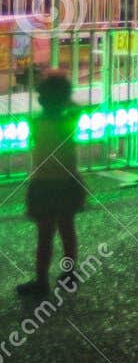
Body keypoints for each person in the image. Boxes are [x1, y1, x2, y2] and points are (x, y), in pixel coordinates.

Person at [17, 74, 86, 296]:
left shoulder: (36, 123)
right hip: (67, 183)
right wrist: (67, 100)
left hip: (43, 185)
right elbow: (76, 108)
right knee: (67, 230)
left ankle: (41, 280)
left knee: (44, 235)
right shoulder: (70, 121)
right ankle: (69, 273)